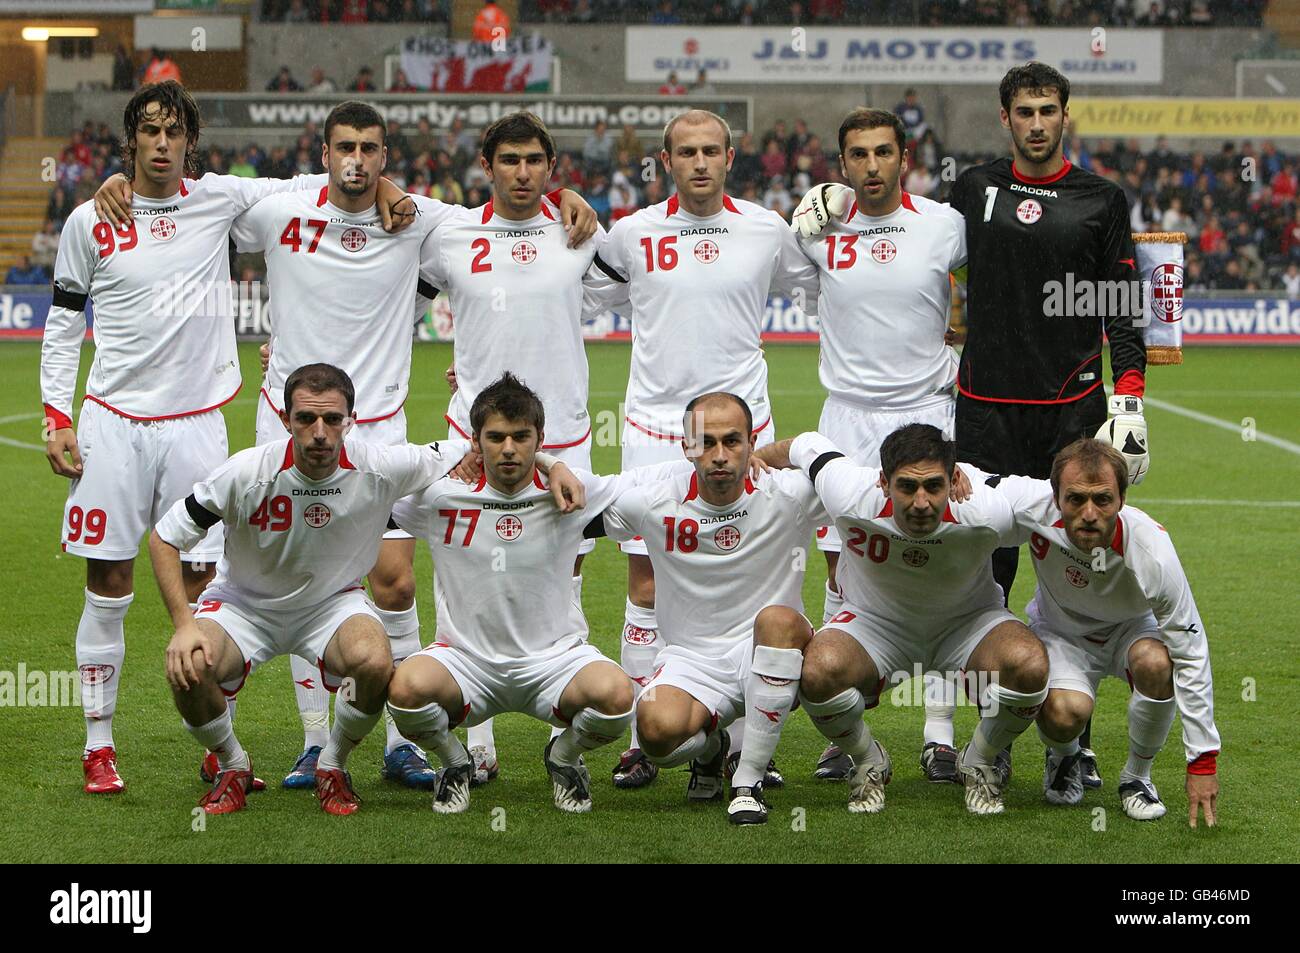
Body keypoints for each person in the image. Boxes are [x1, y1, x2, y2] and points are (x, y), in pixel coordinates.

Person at [792, 62, 1150, 786]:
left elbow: (1121, 299)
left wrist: (1131, 394)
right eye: (1026, 110)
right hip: (982, 407)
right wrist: (821, 200)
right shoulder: (974, 192)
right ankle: (979, 728)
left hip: (1071, 410)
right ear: (1007, 116)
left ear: (1065, 114)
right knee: (977, 565)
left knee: (1076, 557)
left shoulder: (1100, 198)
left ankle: (1064, 739)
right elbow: (875, 225)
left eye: (1049, 109)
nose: (1038, 122)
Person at [234, 101, 597, 788]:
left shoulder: (431, 221)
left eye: (371, 148)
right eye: (345, 146)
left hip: (383, 428)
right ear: (323, 151)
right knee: (305, 583)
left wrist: (566, 196)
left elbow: (509, 222)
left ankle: (403, 739)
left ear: (386, 157)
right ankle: (316, 742)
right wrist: (123, 185)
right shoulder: (281, 206)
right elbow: (195, 206)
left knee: (395, 581)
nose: (357, 159)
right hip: (298, 422)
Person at [42, 81, 366, 797]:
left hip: (197, 426)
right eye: (149, 131)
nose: (162, 143)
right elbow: (64, 324)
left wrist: (387, 185)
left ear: (190, 139)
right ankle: (100, 745)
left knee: (205, 589)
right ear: (130, 141)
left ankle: (219, 743)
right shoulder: (88, 222)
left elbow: (309, 183)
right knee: (110, 581)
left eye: (174, 131)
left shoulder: (218, 199)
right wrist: (55, 416)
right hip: (112, 425)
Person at [589, 108, 819, 790]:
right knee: (646, 581)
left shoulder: (766, 229)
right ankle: (643, 734)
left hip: (744, 433)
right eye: (685, 152)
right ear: (664, 160)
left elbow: (821, 291)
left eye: (710, 151)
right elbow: (575, 300)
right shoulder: (631, 234)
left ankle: (740, 744)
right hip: (654, 428)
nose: (698, 162)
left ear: (730, 157)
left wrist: (838, 228)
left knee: (757, 581)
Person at [151, 364, 476, 815]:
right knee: (190, 664)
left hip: (331, 604)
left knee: (374, 659)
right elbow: (165, 537)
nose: (320, 432)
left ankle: (333, 764)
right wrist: (185, 625)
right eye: (306, 419)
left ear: (352, 419)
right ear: (286, 420)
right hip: (243, 605)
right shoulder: (245, 473)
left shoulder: (379, 466)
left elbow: (480, 442)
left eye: (332, 419)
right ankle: (232, 764)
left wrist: (549, 464)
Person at [419, 111, 608, 785]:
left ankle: (568, 730)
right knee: (462, 573)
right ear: (486, 166)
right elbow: (388, 294)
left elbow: (641, 293)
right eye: (509, 160)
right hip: (472, 439)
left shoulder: (580, 233)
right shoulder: (449, 234)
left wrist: (579, 207)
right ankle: (477, 733)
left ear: (551, 168)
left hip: (566, 434)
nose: (522, 172)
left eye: (535, 161)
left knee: (566, 580)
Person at [791, 107, 969, 785]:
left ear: (905, 159)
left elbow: (1008, 273)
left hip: (928, 413)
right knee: (842, 570)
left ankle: (940, 733)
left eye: (883, 153)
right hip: (847, 418)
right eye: (857, 155)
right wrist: (794, 214)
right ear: (841, 166)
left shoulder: (944, 226)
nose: (871, 166)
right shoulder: (817, 229)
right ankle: (848, 727)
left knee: (943, 563)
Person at [751, 424, 1049, 816]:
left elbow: (1063, 498)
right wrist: (754, 461)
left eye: (934, 487)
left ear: (955, 478)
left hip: (967, 624)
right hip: (875, 625)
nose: (921, 502)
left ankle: (979, 759)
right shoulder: (852, 493)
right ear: (883, 481)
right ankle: (868, 759)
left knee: (1030, 666)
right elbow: (805, 446)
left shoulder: (987, 508)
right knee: (818, 673)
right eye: (907, 486)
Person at [388, 375, 642, 814]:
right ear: (475, 441)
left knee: (619, 698)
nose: (509, 449)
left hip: (553, 660)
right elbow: (374, 481)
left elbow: (646, 484)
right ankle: (455, 761)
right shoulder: (442, 497)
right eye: (496, 437)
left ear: (540, 439)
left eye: (522, 437)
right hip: (466, 661)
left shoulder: (569, 491)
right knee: (404, 693)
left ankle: (562, 759)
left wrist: (553, 465)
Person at [597, 393, 827, 822]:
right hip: (691, 658)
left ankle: (748, 780)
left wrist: (790, 450)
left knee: (778, 621)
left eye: (732, 441)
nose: (719, 455)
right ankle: (711, 748)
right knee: (655, 735)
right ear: (686, 447)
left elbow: (860, 484)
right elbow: (577, 505)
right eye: (705, 442)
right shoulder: (654, 501)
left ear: (752, 442)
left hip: (766, 650)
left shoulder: (791, 494)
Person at [982, 439, 1220, 825]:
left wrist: (1203, 761)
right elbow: (978, 484)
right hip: (1062, 633)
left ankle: (1137, 778)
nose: (1089, 513)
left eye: (1102, 500)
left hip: (1131, 631)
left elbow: (1191, 650)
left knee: (1158, 664)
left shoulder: (1152, 549)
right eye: (1075, 499)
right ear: (1055, 496)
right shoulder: (1031, 504)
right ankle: (1064, 757)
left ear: (1122, 499)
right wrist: (954, 476)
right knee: (1065, 713)